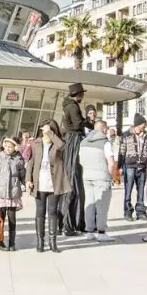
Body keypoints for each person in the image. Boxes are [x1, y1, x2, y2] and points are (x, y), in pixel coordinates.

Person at [25, 119, 71, 253]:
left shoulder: (57, 143)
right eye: (42, 130)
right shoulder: (36, 143)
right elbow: (31, 163)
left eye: (46, 130)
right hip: (39, 182)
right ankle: (40, 242)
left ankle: (53, 242)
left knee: (52, 212)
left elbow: (62, 146)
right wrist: (28, 179)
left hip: (53, 182)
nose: (43, 132)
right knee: (40, 212)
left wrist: (51, 134)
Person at [79, 119, 117, 243]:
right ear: (104, 129)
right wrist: (110, 176)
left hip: (87, 176)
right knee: (102, 206)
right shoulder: (105, 143)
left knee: (89, 203)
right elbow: (111, 163)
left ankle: (89, 231)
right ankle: (101, 232)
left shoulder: (83, 142)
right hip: (102, 177)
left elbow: (80, 161)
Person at [0, 137, 26, 251]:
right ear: (4, 146)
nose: (8, 149)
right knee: (0, 219)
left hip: (13, 194)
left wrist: (27, 183)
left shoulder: (18, 159)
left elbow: (22, 175)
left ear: (15, 147)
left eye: (11, 147)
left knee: (12, 220)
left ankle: (12, 243)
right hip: (1, 194)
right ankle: (0, 242)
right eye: (7, 146)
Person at [60, 83, 87, 236]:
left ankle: (69, 223)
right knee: (73, 185)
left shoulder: (67, 106)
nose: (82, 96)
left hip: (70, 141)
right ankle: (69, 224)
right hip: (74, 141)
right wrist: (87, 124)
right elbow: (78, 124)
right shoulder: (74, 107)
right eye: (81, 94)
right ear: (78, 95)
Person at [119, 113, 147, 221]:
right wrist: (120, 166)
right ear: (137, 124)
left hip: (142, 166)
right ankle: (128, 212)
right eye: (143, 124)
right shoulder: (126, 135)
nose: (145, 126)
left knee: (141, 190)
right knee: (128, 190)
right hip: (130, 166)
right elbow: (122, 151)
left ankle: (141, 211)